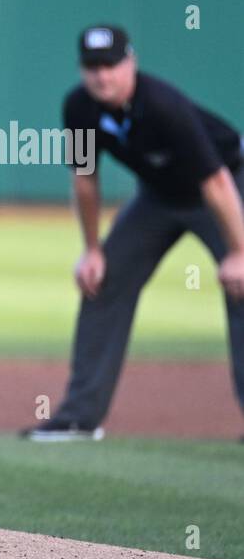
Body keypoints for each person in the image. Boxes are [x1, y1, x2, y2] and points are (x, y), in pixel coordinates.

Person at [23, 25, 244, 441]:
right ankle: (79, 418)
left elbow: (215, 181)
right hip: (159, 196)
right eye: (92, 67)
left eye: (110, 65)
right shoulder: (80, 108)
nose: (102, 76)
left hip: (228, 186)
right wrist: (92, 250)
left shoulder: (162, 104)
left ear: (131, 63)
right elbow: (85, 178)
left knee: (242, 286)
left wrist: (240, 252)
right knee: (103, 281)